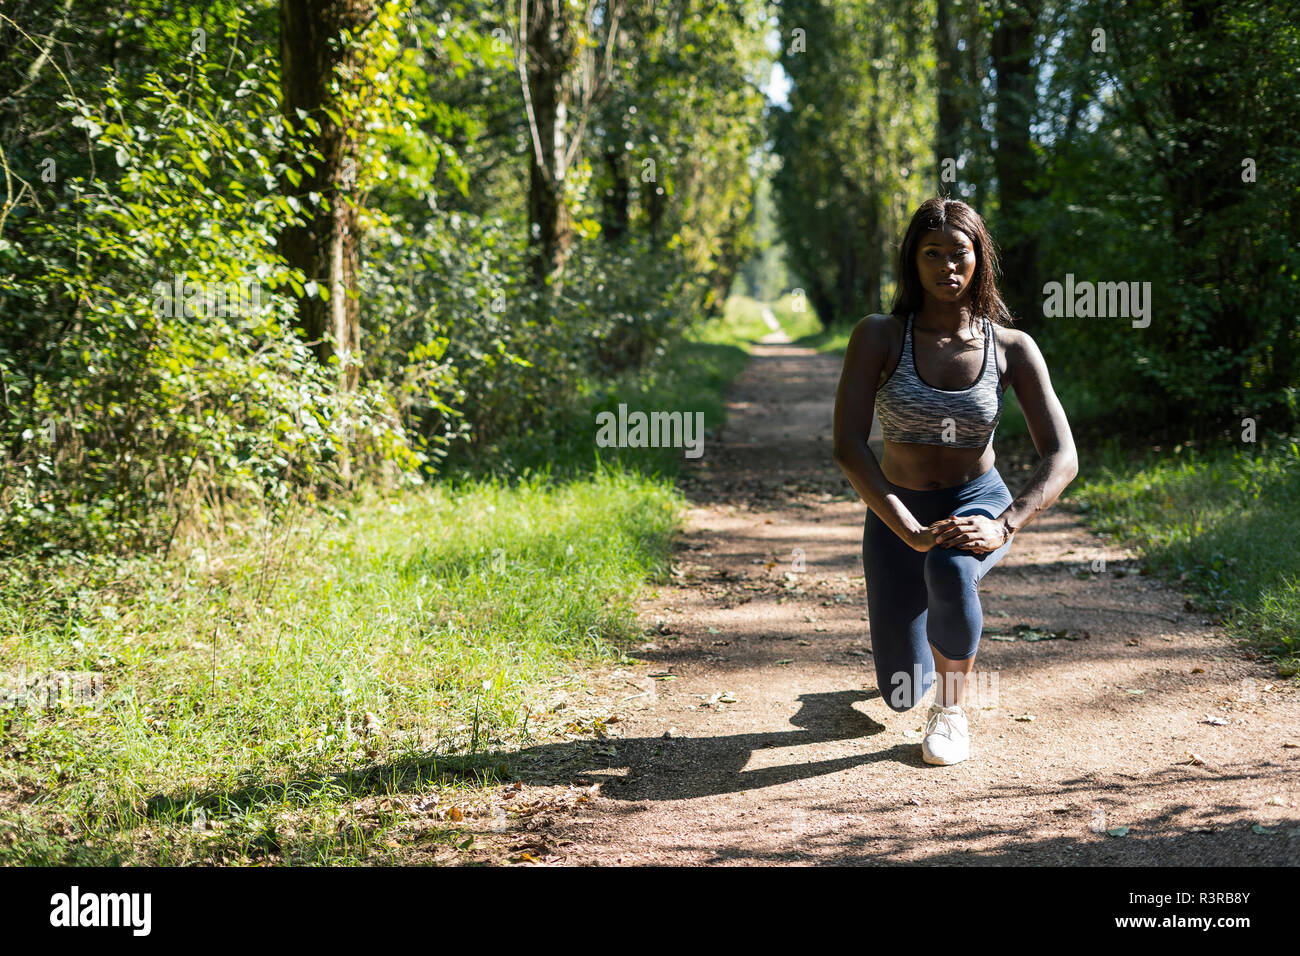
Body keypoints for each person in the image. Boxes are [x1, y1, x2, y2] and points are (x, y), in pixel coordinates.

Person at [832, 197, 1078, 766]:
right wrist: (911, 529)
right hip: (899, 510)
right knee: (900, 689)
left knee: (949, 567)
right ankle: (922, 686)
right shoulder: (878, 336)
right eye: (932, 253)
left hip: (979, 501)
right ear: (911, 263)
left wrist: (1004, 524)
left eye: (959, 254)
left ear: (979, 260)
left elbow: (1062, 455)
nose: (947, 266)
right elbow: (848, 445)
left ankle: (951, 712)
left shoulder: (1012, 348)